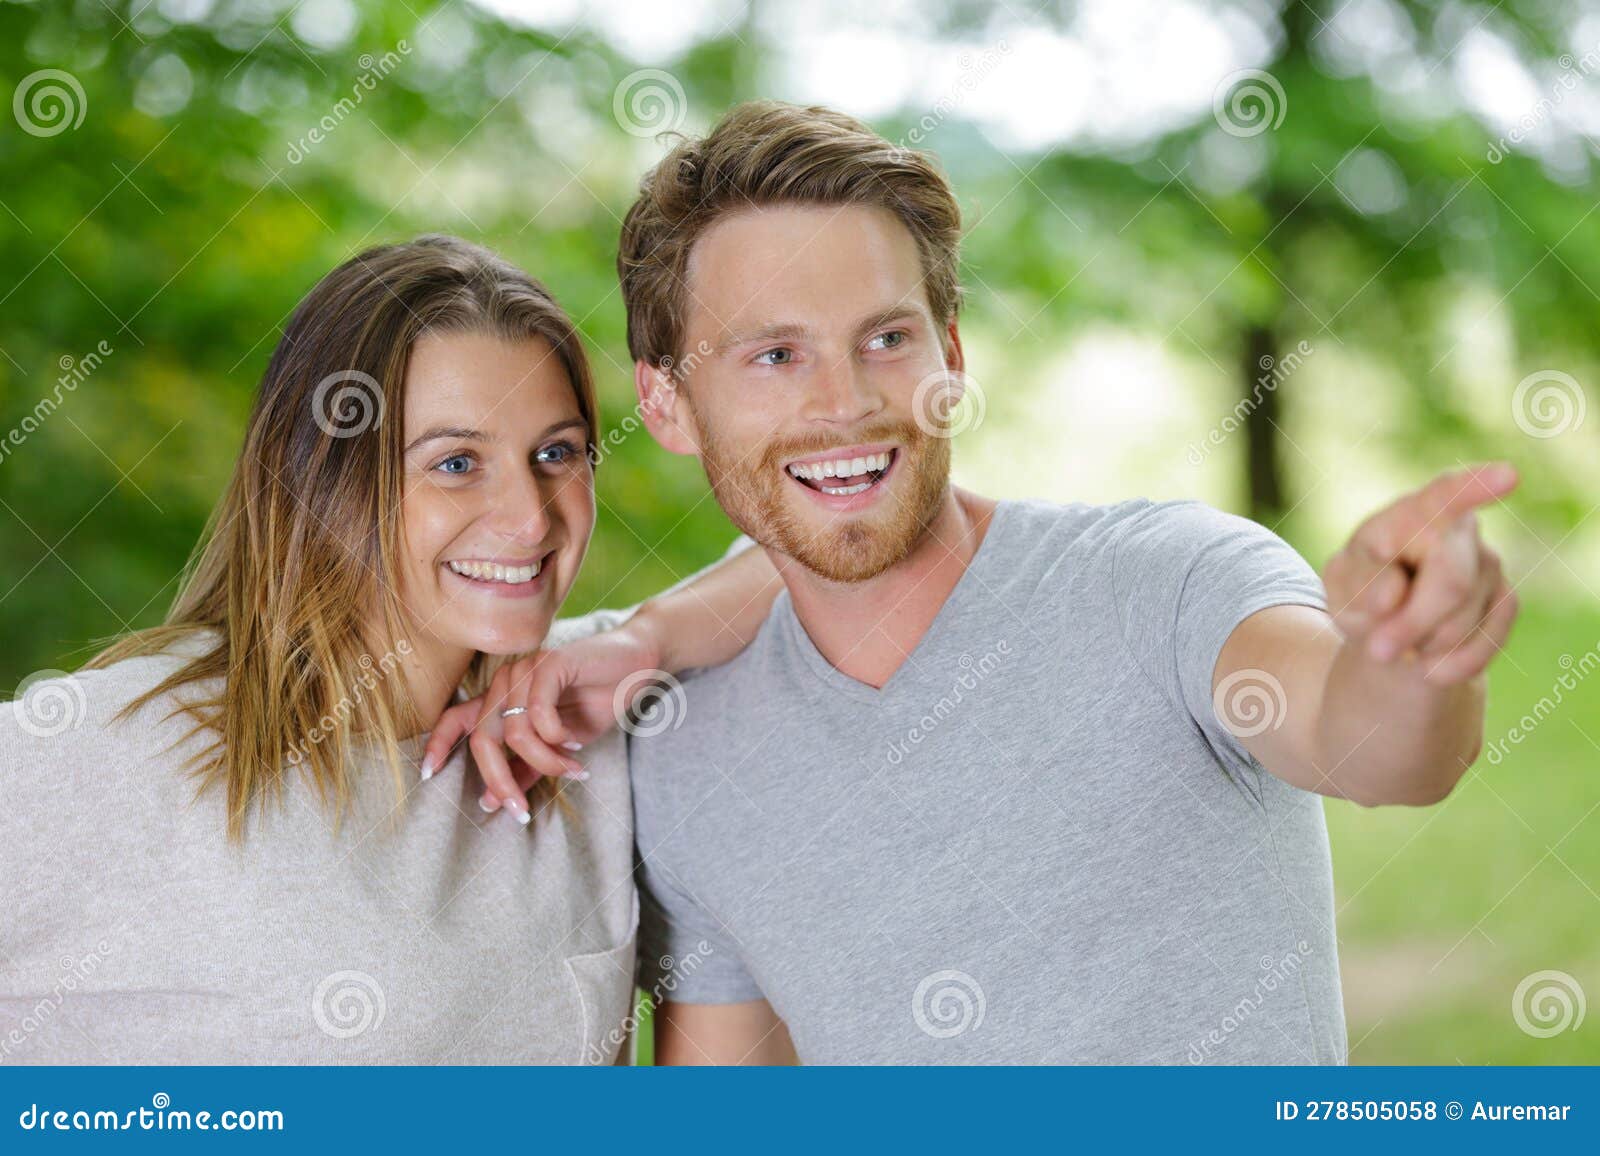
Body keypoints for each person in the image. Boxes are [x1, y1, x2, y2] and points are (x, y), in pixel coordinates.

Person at [451, 102, 1519, 1065]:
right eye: (774, 355)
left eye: (886, 338)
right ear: (670, 403)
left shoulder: (1165, 581)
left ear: (950, 357)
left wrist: (1414, 656)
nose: (847, 401)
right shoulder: (686, 736)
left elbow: (1378, 747)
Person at [0, 234, 779, 1064]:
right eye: (455, 463)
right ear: (325, 479)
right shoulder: (130, 752)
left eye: (555, 453)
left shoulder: (575, 709)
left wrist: (643, 638)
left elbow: (865, 549)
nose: (529, 515)